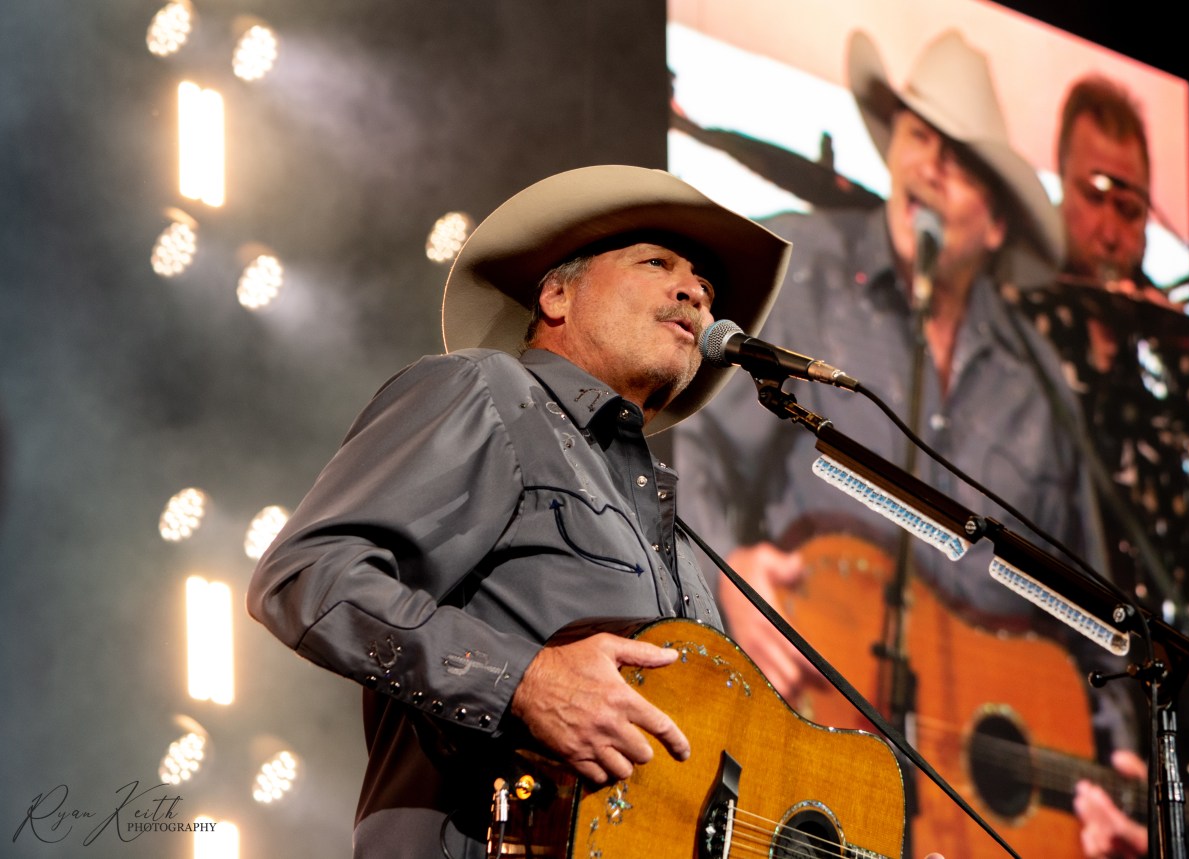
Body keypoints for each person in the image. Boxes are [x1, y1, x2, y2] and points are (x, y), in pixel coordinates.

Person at [674, 29, 1138, 858]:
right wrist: (726, 580)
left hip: (975, 815)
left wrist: (1122, 759)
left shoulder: (1039, 382)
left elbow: (1090, 605)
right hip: (797, 746)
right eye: (917, 137)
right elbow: (690, 449)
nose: (928, 164)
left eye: (957, 156)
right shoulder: (804, 267)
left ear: (996, 220)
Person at [246, 164, 797, 858]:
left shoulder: (682, 548)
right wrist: (524, 680)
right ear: (556, 294)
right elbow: (306, 575)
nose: (693, 292)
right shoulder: (487, 391)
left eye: (707, 288)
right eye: (658, 262)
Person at [1017, 73, 1189, 859]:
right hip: (1051, 686)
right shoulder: (1020, 331)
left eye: (1133, 206)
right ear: (1061, 189)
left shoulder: (1165, 367)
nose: (1113, 223)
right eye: (1096, 192)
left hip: (1165, 699)